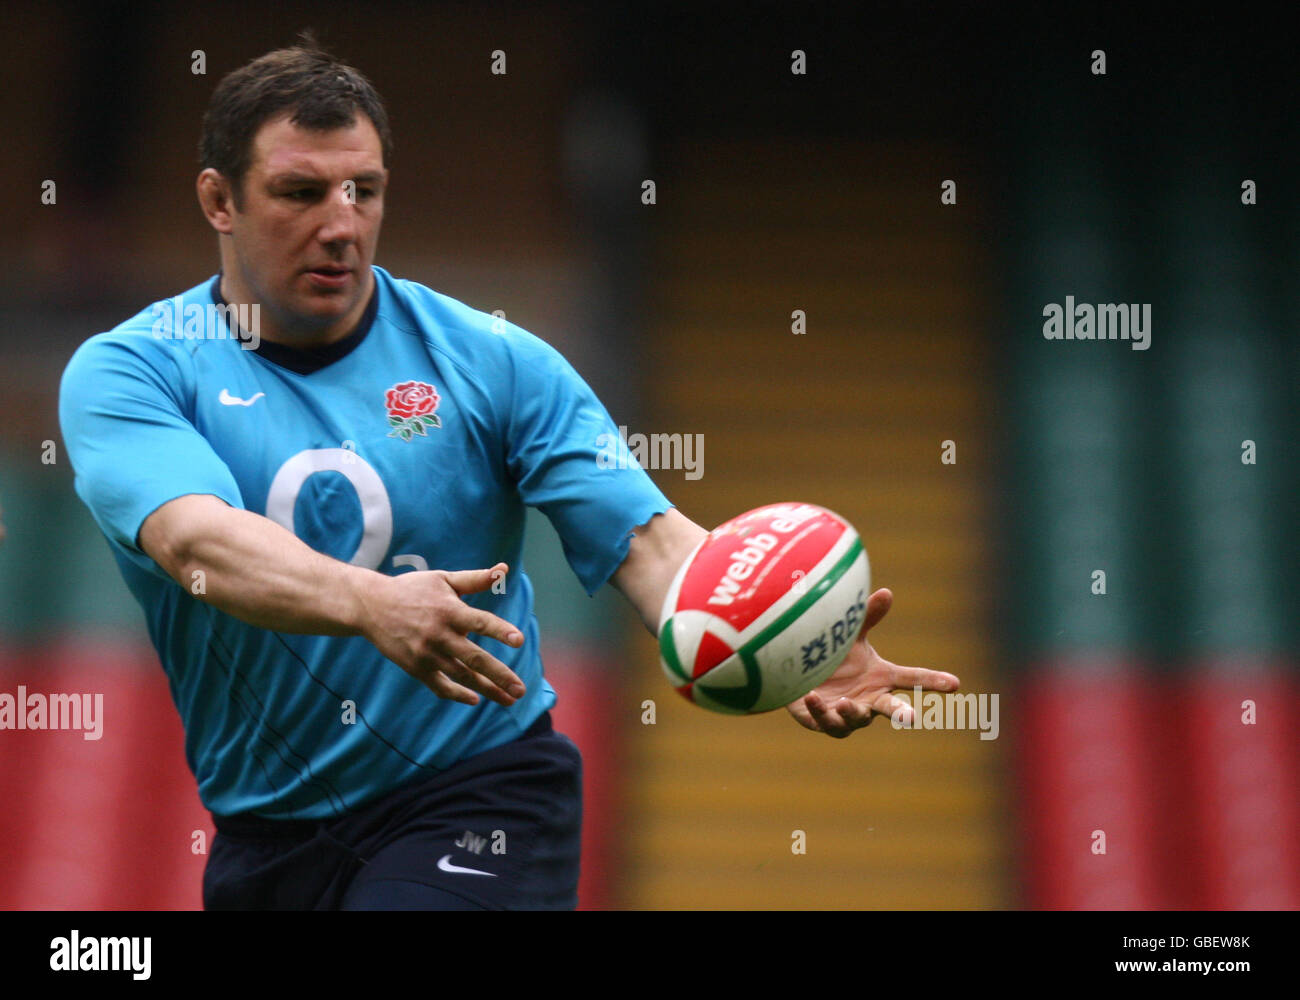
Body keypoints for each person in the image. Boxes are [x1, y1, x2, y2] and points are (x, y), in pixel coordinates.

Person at [58, 38, 960, 910]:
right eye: (300, 193)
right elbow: (194, 538)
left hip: (478, 796)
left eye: (363, 191)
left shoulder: (495, 360)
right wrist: (371, 603)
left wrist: (779, 627)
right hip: (265, 840)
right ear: (219, 200)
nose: (341, 225)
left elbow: (647, 543)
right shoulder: (134, 370)